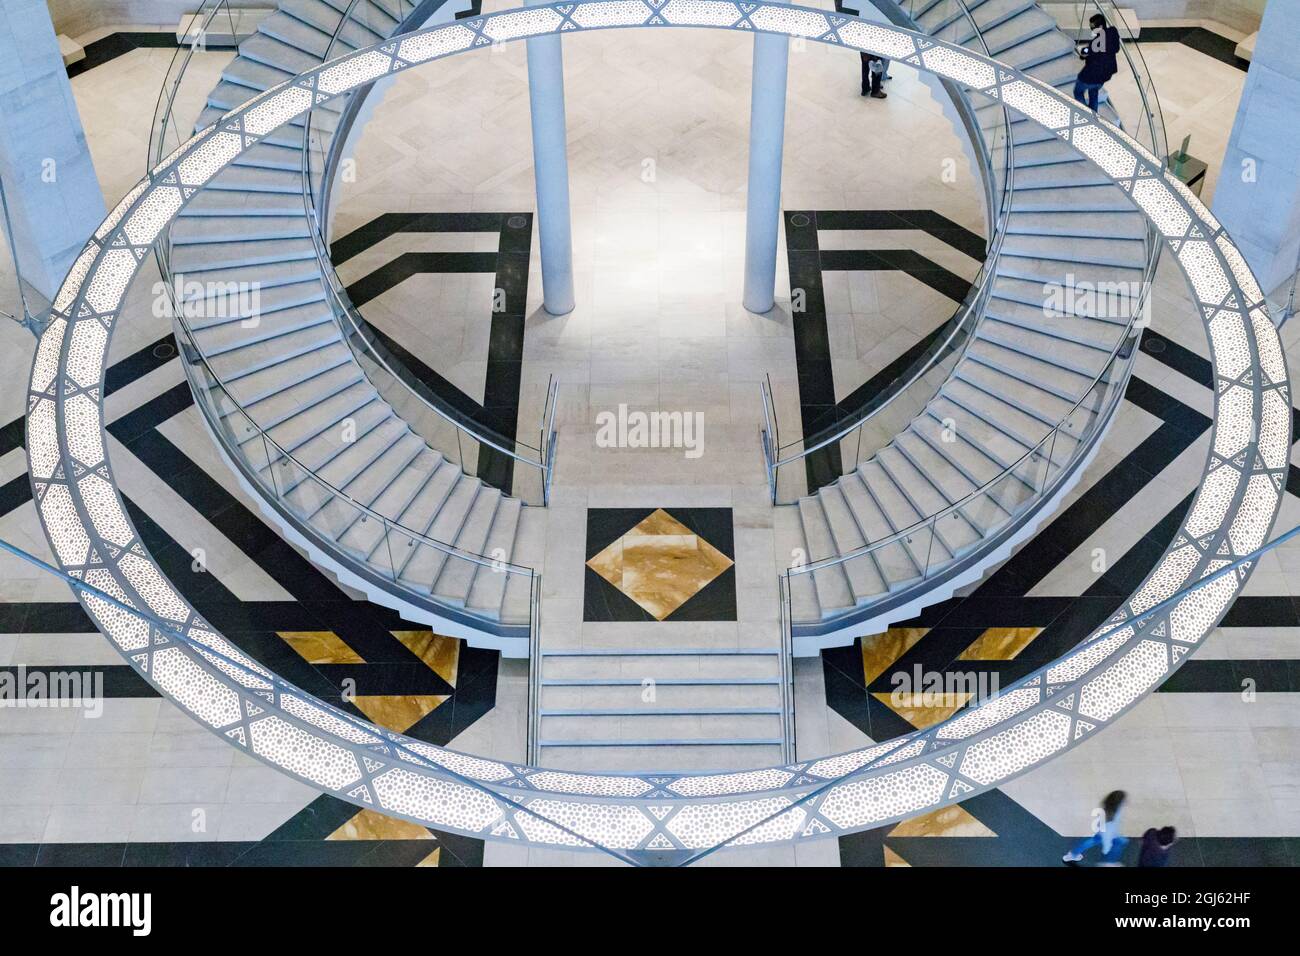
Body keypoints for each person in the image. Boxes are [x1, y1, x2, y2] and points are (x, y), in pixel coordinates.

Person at [1063, 790, 1128, 865]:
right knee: (1117, 844)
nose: (1125, 801)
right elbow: (1108, 834)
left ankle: (1072, 854)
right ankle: (1109, 863)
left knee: (1095, 840)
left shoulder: (1108, 806)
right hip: (1109, 833)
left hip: (1102, 829)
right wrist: (1106, 848)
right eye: (1123, 800)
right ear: (1118, 802)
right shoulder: (1113, 815)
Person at [1073, 13, 1121, 112]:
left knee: (1077, 92)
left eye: (1092, 27)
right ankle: (1094, 115)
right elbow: (1116, 49)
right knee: (1093, 92)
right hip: (1105, 75)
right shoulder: (1113, 32)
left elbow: (1084, 54)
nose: (1091, 29)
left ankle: (1086, 113)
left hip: (1090, 76)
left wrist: (1084, 51)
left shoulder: (1093, 45)